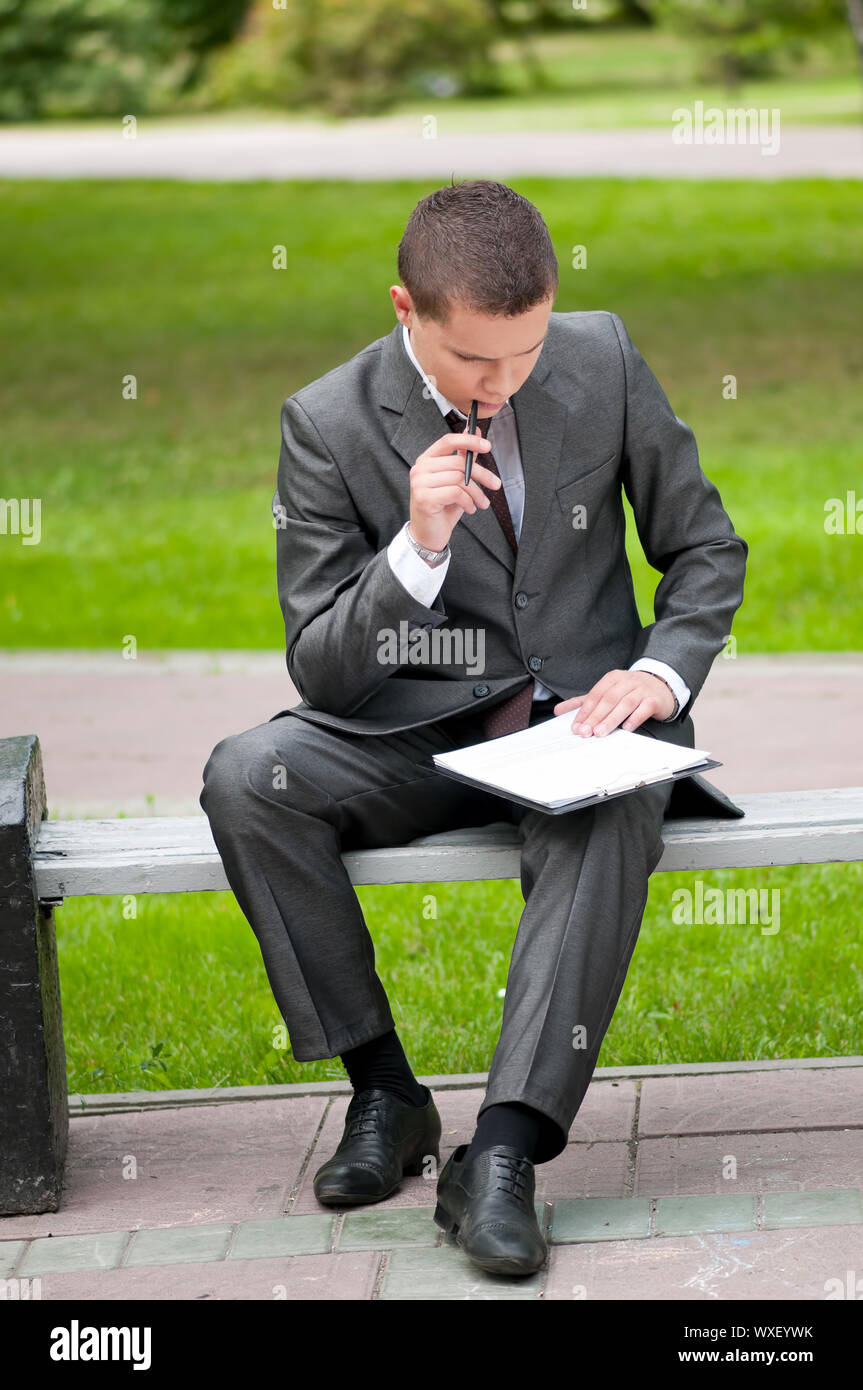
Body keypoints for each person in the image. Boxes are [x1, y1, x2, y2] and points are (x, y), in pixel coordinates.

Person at [199, 178, 748, 1278]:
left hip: (579, 723)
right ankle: (383, 1092)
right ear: (405, 310)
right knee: (246, 773)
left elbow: (703, 551)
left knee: (615, 805)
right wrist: (413, 550)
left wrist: (655, 673)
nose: (502, 383)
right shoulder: (326, 421)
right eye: (474, 363)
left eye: (525, 353)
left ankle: (500, 1156)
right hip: (411, 731)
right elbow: (320, 666)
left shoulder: (602, 360)